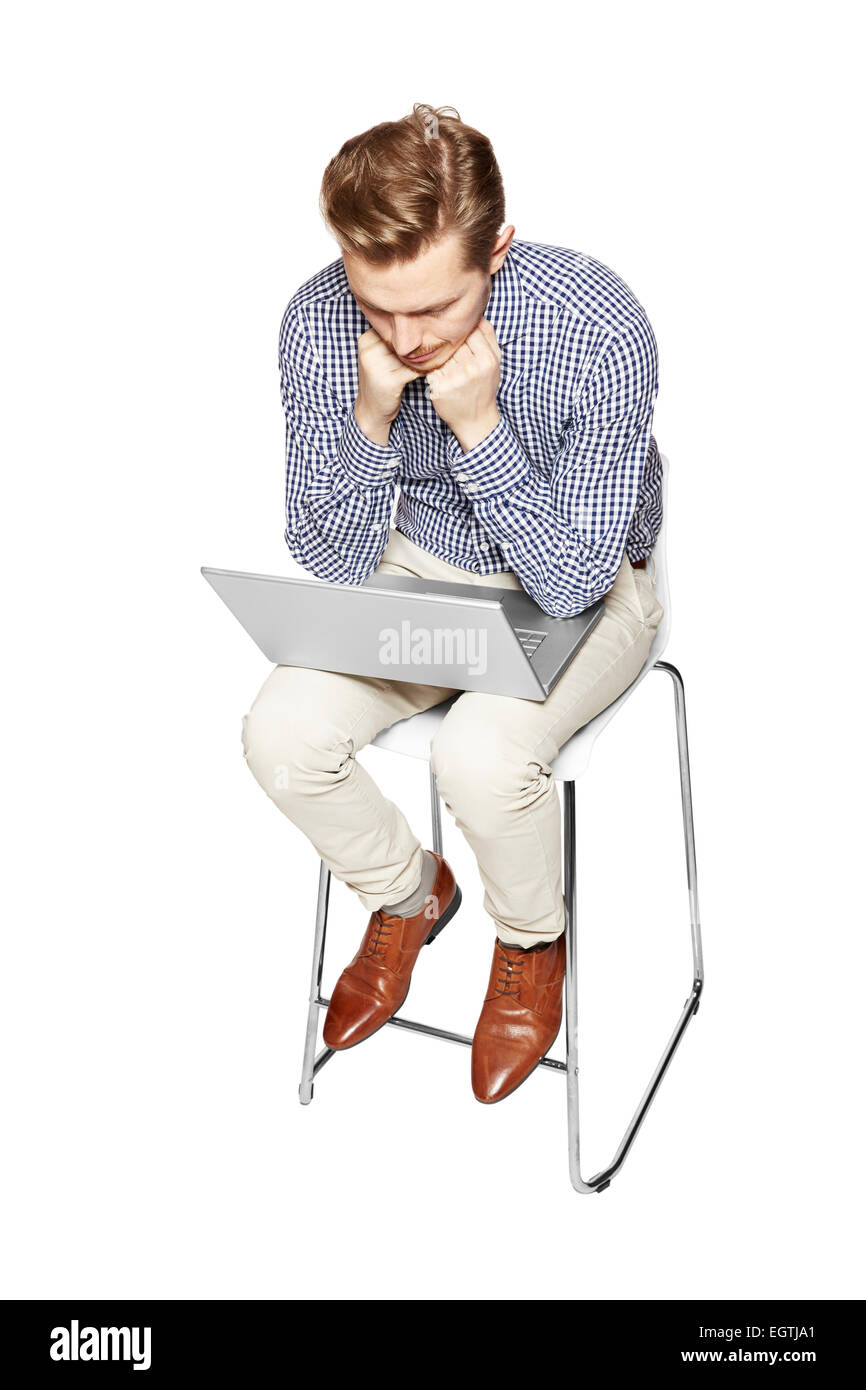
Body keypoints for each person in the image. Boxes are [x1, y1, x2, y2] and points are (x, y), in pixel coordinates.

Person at [241, 103, 665, 1103]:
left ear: (497, 250)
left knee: (474, 755)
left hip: (582, 589)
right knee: (279, 733)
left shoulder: (597, 324)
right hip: (413, 573)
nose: (403, 335)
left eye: (433, 307)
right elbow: (330, 557)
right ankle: (405, 895)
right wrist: (371, 411)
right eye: (376, 304)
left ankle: (528, 941)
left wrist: (479, 429)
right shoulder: (318, 320)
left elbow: (571, 580)